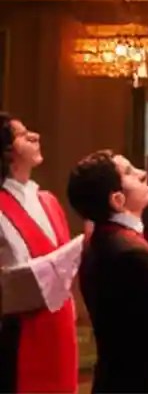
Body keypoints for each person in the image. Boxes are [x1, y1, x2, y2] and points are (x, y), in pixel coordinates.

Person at [68, 150, 148, 393]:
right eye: (131, 173)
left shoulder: (110, 239)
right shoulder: (130, 254)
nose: (144, 174)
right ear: (117, 200)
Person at [0, 113, 83, 393]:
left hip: (59, 321)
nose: (35, 137)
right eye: (23, 135)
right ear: (7, 151)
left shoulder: (47, 200)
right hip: (20, 327)